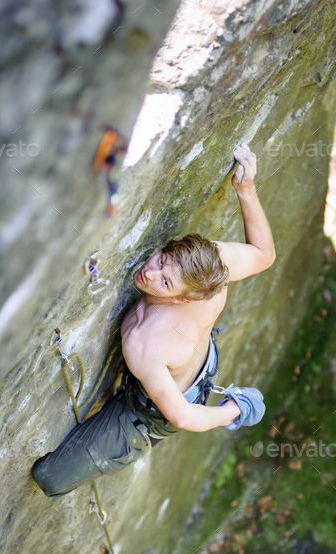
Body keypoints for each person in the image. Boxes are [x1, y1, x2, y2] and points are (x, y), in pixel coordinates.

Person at [31, 143, 275, 497]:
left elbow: (183, 417)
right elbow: (264, 255)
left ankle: (132, 439)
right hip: (194, 361)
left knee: (49, 476)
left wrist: (233, 410)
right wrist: (246, 188)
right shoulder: (209, 264)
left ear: (181, 297)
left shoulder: (143, 341)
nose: (149, 273)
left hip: (151, 411)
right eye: (162, 260)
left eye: (165, 282)